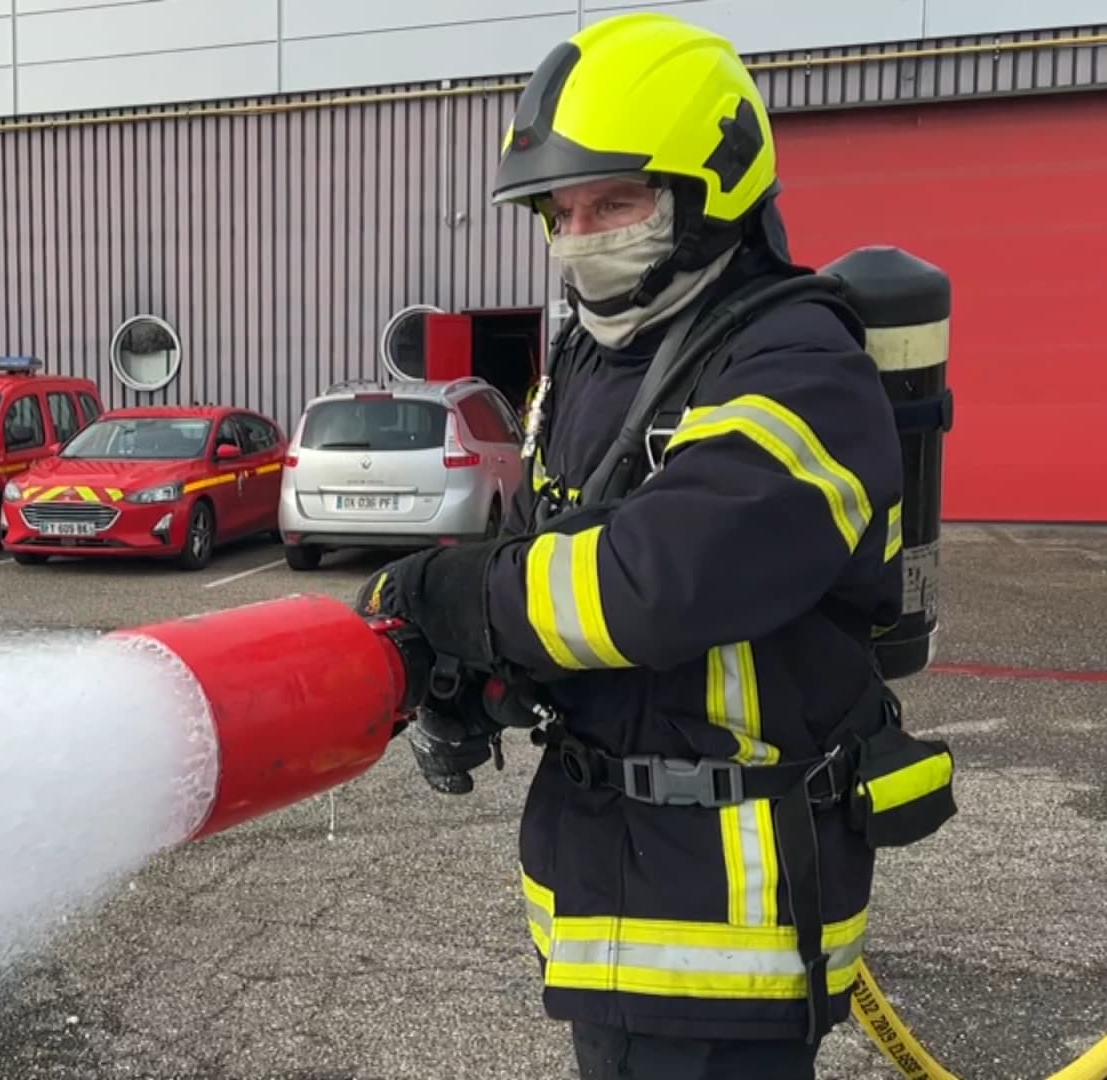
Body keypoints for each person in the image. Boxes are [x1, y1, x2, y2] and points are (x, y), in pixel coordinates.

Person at [354, 13, 918, 1080]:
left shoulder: (800, 363)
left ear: (716, 191)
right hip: (609, 893)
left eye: (614, 202)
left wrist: (452, 598)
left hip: (726, 929)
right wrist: (473, 676)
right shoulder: (590, 363)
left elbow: (650, 583)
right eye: (560, 212)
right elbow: (542, 553)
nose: (581, 235)